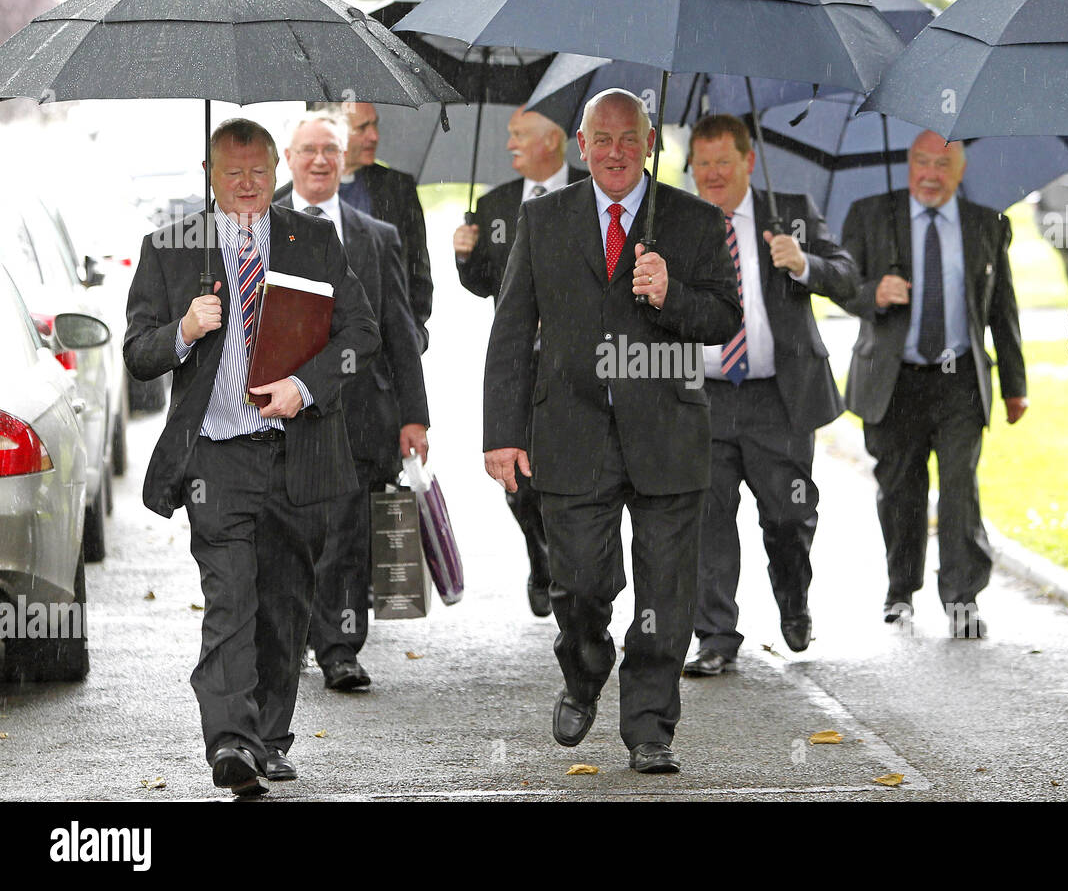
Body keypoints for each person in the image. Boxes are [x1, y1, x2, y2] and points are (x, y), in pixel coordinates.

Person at [482, 89, 740, 773]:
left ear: (650, 142)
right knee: (580, 583)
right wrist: (501, 435)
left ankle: (650, 724)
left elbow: (723, 319)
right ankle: (585, 664)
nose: (617, 151)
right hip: (570, 433)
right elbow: (510, 332)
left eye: (631, 138)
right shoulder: (543, 220)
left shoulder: (693, 221)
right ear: (582, 145)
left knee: (666, 593)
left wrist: (671, 294)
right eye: (604, 138)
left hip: (669, 438)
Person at [123, 118, 379, 795]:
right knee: (230, 599)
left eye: (259, 172)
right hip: (216, 460)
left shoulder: (314, 241)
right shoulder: (172, 247)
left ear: (276, 172)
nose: (246, 186)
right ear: (211, 176)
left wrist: (303, 388)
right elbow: (137, 353)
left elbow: (361, 334)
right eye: (232, 173)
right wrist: (182, 330)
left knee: (284, 606)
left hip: (296, 452)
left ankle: (269, 739)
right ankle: (232, 742)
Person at [680, 114, 858, 676]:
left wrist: (803, 263)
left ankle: (793, 599)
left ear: (748, 161)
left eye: (721, 163)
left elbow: (848, 277)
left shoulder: (792, 212)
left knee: (788, 515)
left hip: (778, 398)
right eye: (701, 163)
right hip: (704, 393)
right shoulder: (676, 222)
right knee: (708, 516)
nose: (710, 174)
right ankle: (714, 636)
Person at [839, 130, 1028, 637]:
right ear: (908, 164)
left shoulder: (985, 223)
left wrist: (1015, 383)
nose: (930, 173)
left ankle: (963, 599)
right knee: (900, 490)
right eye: (921, 161)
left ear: (960, 170)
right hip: (893, 380)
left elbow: (1001, 306)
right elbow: (840, 284)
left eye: (942, 164)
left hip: (960, 379)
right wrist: (873, 292)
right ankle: (901, 590)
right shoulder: (870, 214)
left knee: (960, 489)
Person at [275, 111, 430, 693]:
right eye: (309, 150)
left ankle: (340, 648)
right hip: (281, 413)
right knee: (290, 534)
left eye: (331, 152)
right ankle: (287, 643)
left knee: (346, 536)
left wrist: (414, 416)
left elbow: (400, 332)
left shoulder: (376, 236)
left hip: (362, 414)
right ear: (288, 159)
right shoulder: (257, 230)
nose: (320, 161)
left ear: (345, 160)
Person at [452, 106, 589, 617]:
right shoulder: (493, 204)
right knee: (519, 480)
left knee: (573, 473)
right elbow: (485, 284)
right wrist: (466, 258)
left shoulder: (591, 189)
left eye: (519, 136)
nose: (508, 144)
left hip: (578, 362)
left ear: (552, 140)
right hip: (520, 366)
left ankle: (574, 570)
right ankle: (542, 556)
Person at [330, 100, 433, 352]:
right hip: (324, 349)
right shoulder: (297, 194)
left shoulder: (398, 188)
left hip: (386, 350)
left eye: (375, 125)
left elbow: (418, 272)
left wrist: (413, 334)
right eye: (362, 128)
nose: (374, 136)